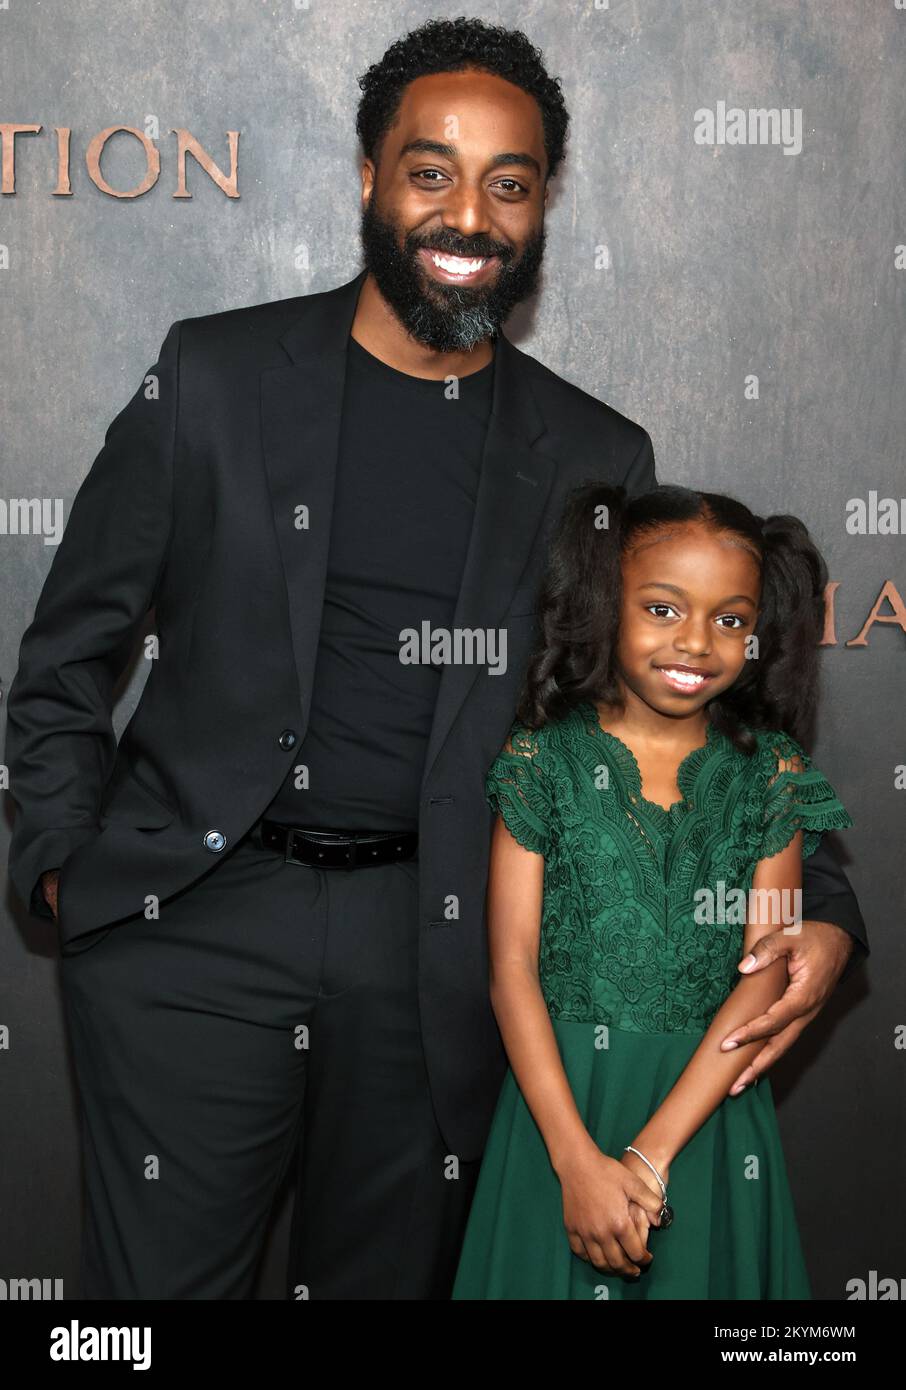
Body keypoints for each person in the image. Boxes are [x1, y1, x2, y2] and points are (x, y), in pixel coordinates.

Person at [4, 18, 866, 1300]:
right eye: (430, 171)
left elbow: (681, 720)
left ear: (542, 206)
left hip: (449, 957)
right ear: (367, 178)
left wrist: (826, 904)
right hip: (193, 933)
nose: (468, 211)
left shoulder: (593, 455)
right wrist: (67, 876)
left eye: (507, 183)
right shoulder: (214, 376)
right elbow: (67, 655)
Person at [451, 482, 853, 1299]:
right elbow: (512, 970)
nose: (697, 642)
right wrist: (576, 1161)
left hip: (704, 1117)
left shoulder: (771, 774)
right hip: (559, 1114)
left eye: (731, 619)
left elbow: (769, 965)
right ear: (607, 605)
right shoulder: (542, 760)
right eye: (664, 610)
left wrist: (649, 1156)